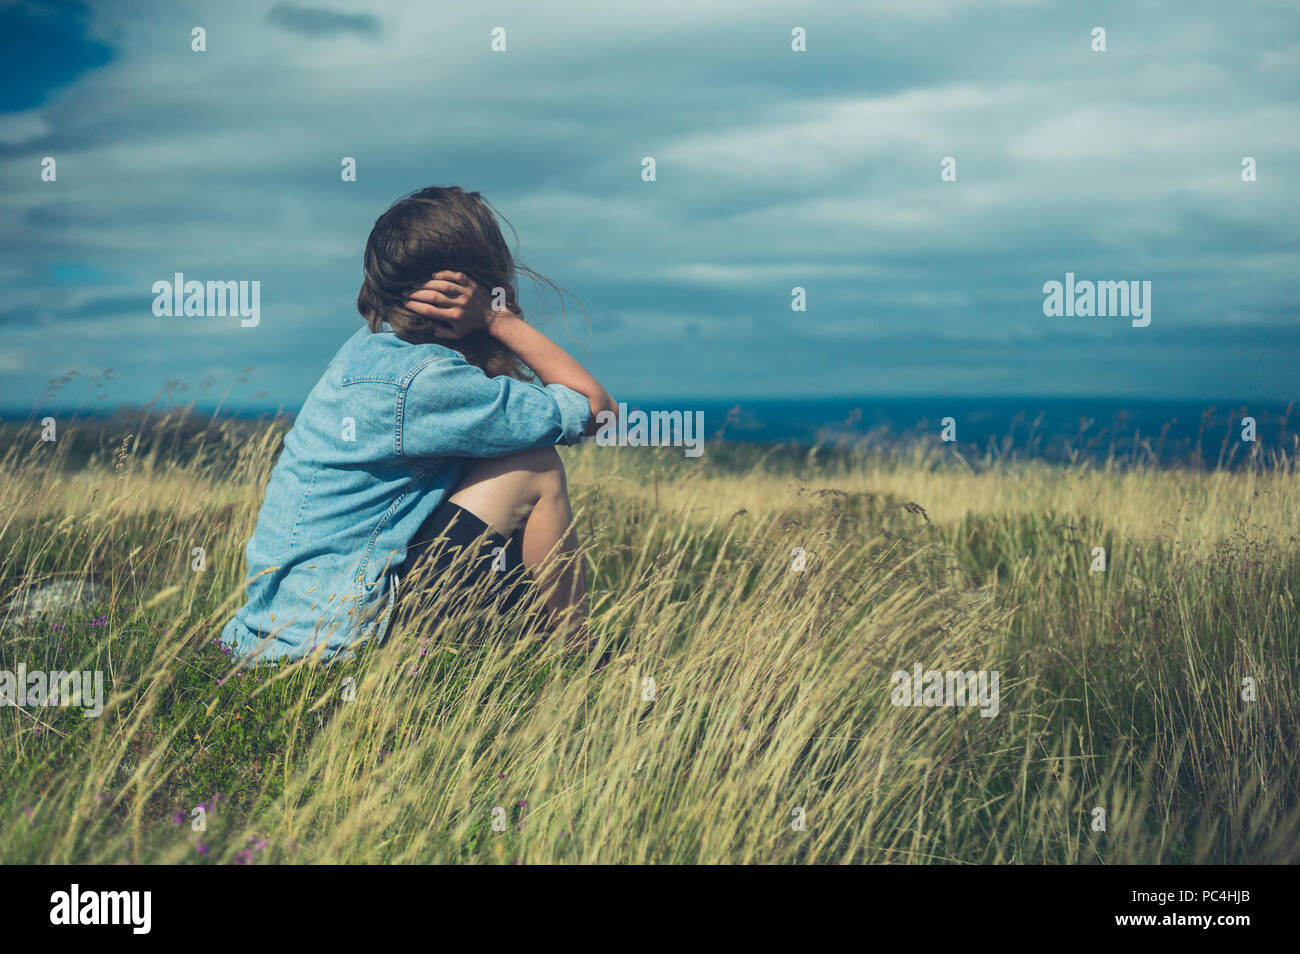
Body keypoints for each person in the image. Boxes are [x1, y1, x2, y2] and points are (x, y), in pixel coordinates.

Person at [220, 186, 617, 663]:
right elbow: (598, 409)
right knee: (536, 464)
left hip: (273, 634)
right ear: (464, 287)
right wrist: (498, 320)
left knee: (495, 469)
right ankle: (582, 659)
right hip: (332, 641)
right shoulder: (426, 382)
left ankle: (518, 655)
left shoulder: (363, 353)